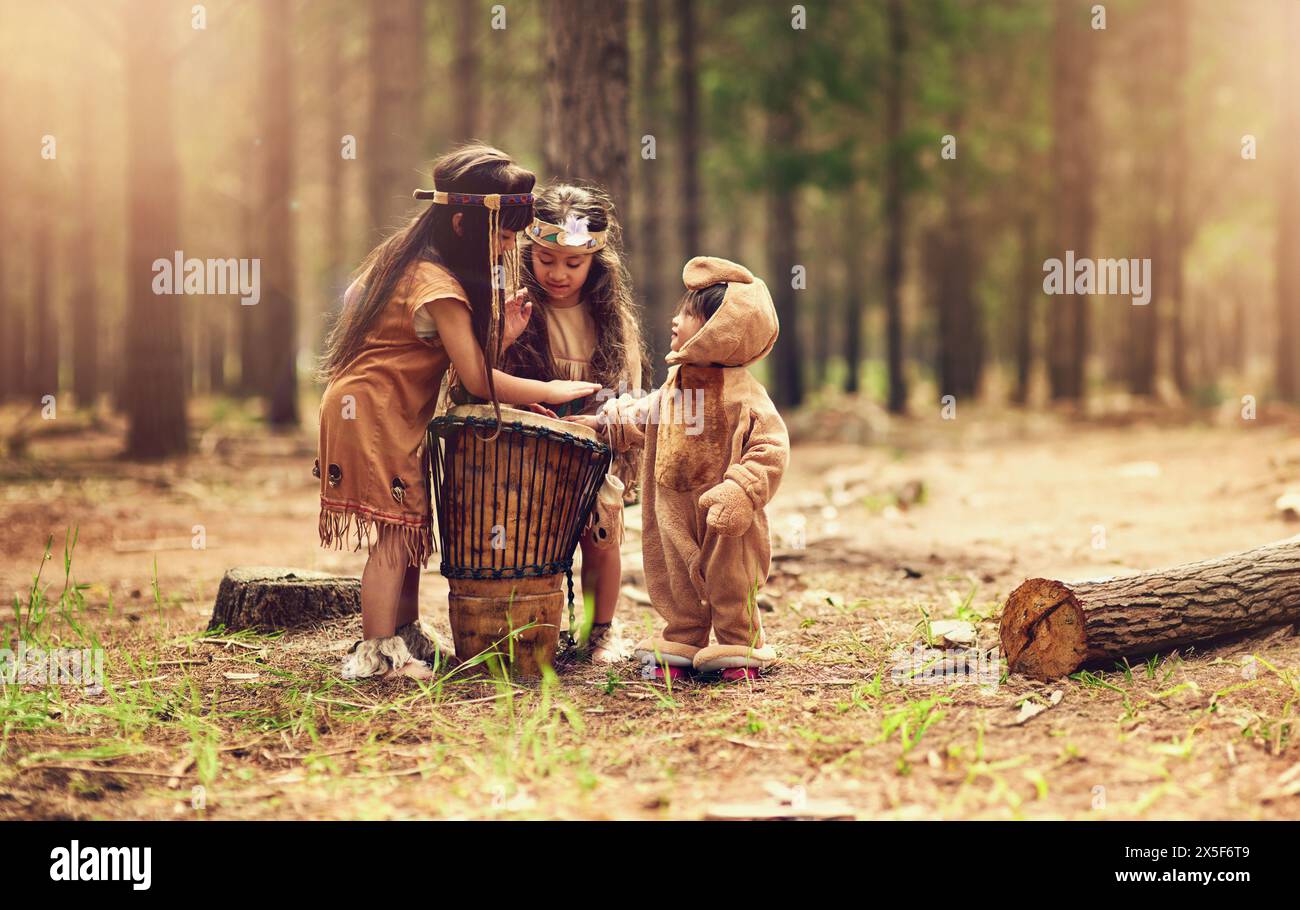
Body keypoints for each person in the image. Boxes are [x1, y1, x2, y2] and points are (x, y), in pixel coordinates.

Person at [314, 145, 599, 681]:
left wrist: (500, 337)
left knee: (410, 522)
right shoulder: (437, 285)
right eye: (507, 236)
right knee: (394, 535)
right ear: (467, 224)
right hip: (373, 409)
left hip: (383, 408)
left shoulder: (404, 257)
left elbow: (395, 328)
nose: (510, 248)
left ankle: (404, 631)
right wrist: (556, 388)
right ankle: (377, 654)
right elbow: (475, 379)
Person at [567, 257, 789, 681]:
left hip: (727, 515)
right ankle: (684, 638)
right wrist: (603, 424)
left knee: (730, 577)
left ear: (721, 329)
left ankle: (738, 644)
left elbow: (771, 447)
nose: (675, 319)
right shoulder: (678, 384)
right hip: (671, 506)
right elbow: (648, 413)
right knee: (673, 577)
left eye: (689, 314)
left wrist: (742, 490)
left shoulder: (744, 394)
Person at [505, 183, 648, 662]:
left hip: (593, 447)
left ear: (595, 262)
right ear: (530, 252)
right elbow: (481, 377)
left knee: (602, 534)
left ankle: (598, 630)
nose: (558, 274)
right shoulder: (513, 305)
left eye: (573, 264)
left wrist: (599, 420)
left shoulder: (611, 319)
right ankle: (521, 629)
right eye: (546, 260)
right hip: (522, 449)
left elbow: (625, 394)